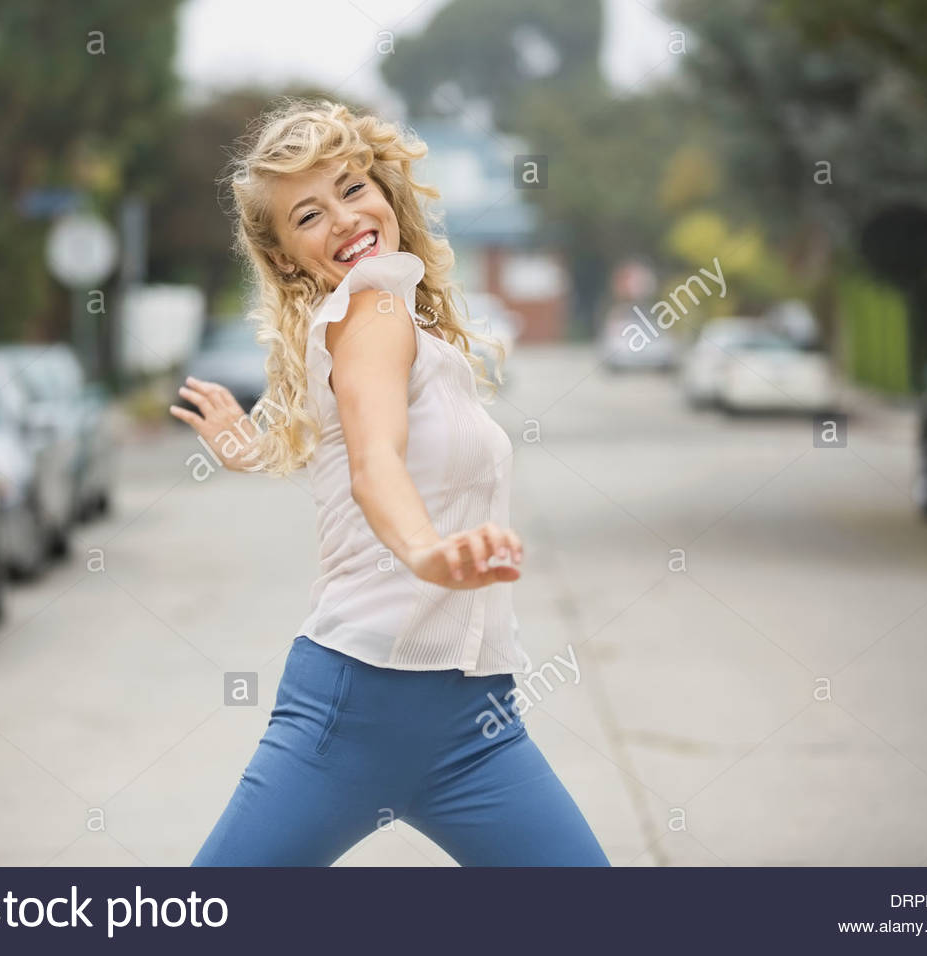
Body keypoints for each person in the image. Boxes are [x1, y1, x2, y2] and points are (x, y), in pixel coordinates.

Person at [170, 98, 609, 867]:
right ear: (286, 257)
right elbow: (376, 465)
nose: (341, 218)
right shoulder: (371, 313)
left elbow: (344, 449)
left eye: (351, 187)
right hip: (358, 709)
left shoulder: (407, 328)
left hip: (476, 722)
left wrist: (250, 447)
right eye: (308, 214)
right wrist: (427, 554)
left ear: (385, 191)